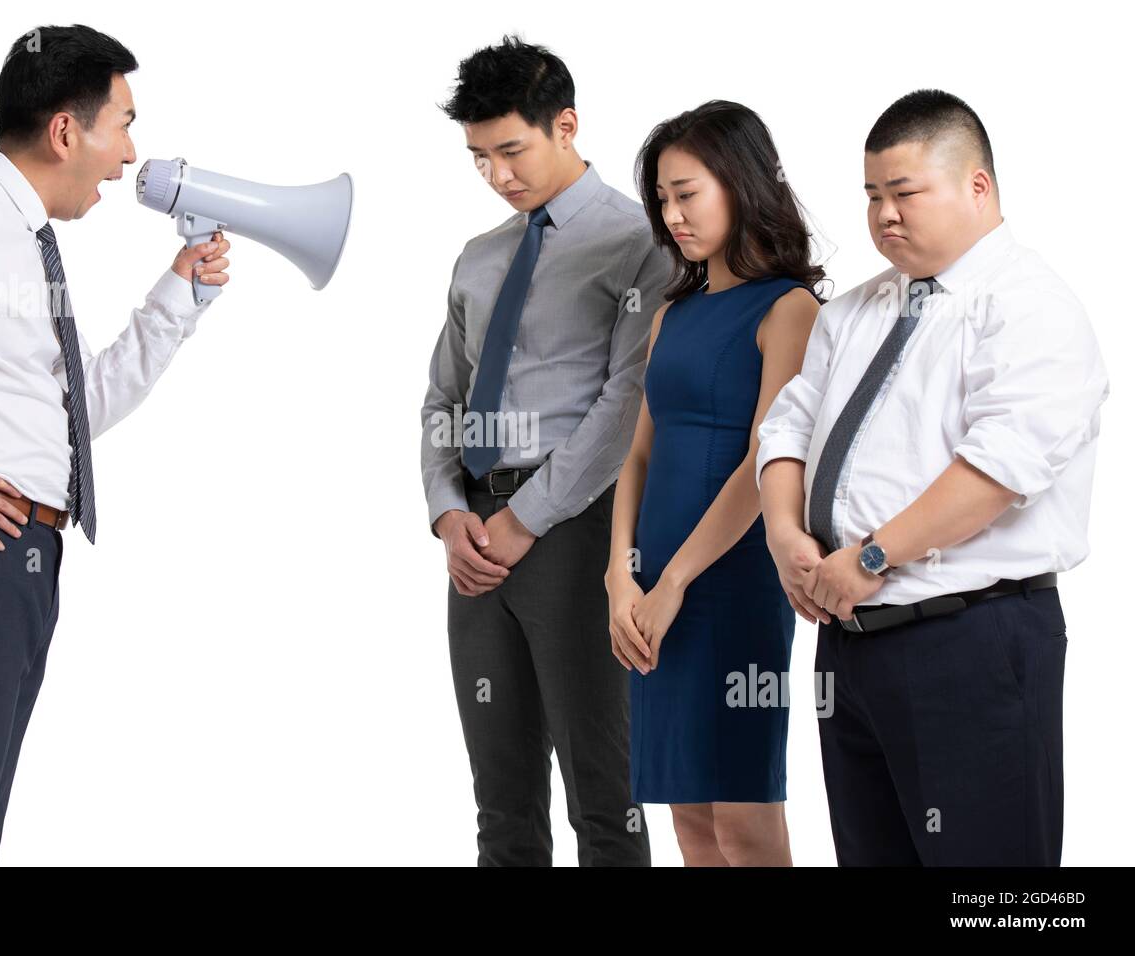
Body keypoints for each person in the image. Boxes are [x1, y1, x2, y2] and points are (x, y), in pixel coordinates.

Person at [0, 24, 232, 865]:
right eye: (123, 123)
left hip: (11, 555)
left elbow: (71, 417)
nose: (131, 154)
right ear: (67, 130)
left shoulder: (26, 240)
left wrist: (179, 297)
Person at [756, 89, 1108, 866]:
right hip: (851, 645)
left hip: (971, 640)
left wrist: (870, 558)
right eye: (873, 196)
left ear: (977, 186)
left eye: (905, 193)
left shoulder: (1030, 307)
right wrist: (786, 536)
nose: (884, 214)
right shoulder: (853, 313)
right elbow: (786, 425)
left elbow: (997, 471)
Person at [420, 35, 672, 866]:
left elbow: (626, 405)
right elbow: (441, 402)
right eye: (480, 157)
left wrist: (525, 520)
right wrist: (450, 512)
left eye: (513, 151)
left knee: (605, 796)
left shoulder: (640, 241)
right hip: (476, 539)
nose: (499, 176)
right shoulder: (479, 259)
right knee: (501, 801)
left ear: (566, 125)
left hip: (577, 527)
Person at [605, 101, 824, 866]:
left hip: (731, 586)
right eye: (661, 200)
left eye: (686, 193)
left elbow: (762, 467)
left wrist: (672, 585)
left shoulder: (791, 309)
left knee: (744, 815)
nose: (671, 216)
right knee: (689, 818)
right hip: (651, 589)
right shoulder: (671, 315)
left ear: (738, 183)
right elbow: (636, 456)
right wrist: (619, 576)